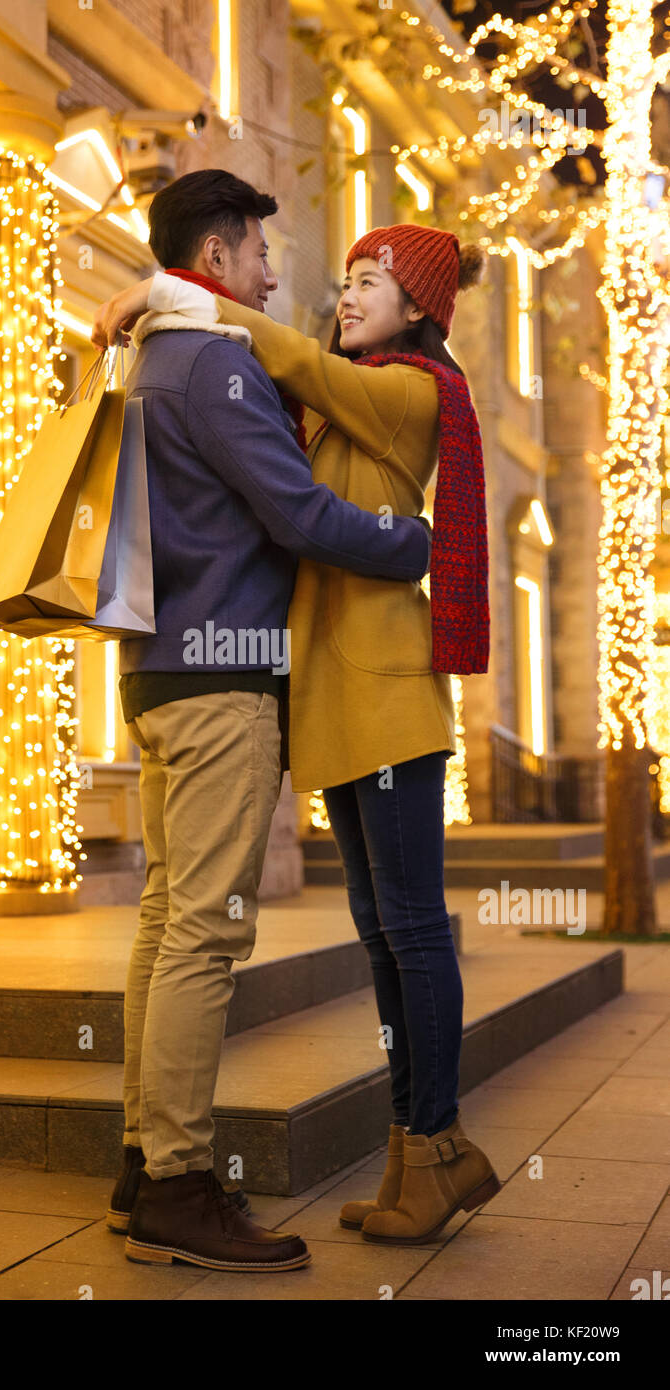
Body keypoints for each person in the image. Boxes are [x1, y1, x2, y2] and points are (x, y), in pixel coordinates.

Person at [95, 215, 502, 1247]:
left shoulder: (406, 391)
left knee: (411, 929)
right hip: (338, 708)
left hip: (389, 701)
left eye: (374, 280)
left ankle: (439, 1142)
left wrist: (166, 296)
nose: (348, 292)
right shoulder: (335, 406)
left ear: (417, 310)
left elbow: (288, 360)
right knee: (379, 933)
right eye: (349, 276)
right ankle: (415, 1158)